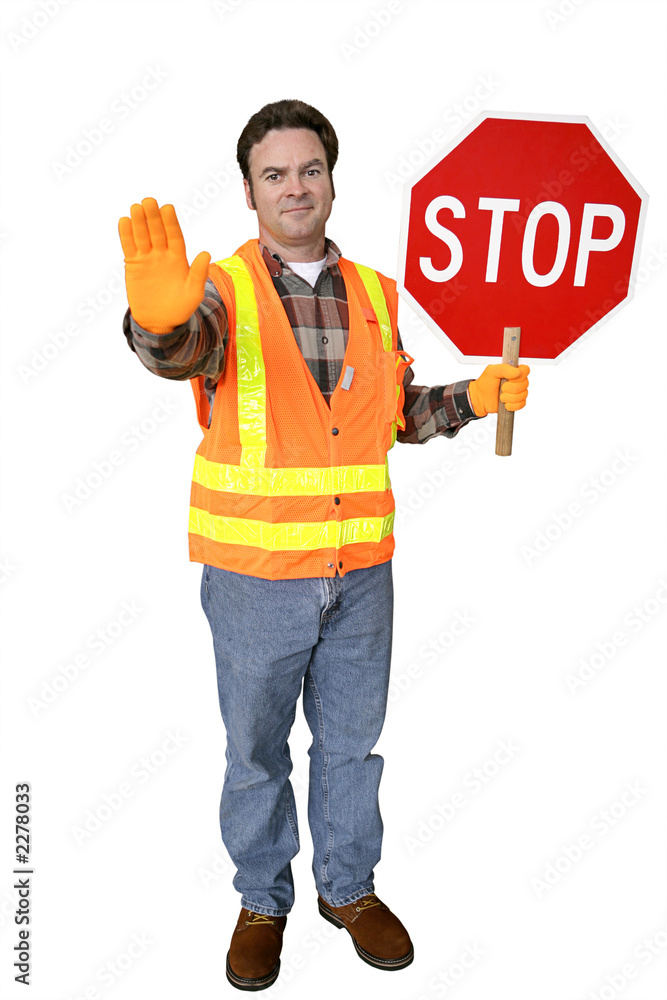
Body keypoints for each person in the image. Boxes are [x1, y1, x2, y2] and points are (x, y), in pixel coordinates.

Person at [118, 98, 529, 992]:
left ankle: (347, 889)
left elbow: (396, 417)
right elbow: (182, 350)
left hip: (361, 577)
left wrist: (475, 398)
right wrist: (155, 324)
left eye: (309, 169)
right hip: (257, 576)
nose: (294, 187)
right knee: (256, 752)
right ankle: (263, 901)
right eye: (275, 174)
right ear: (249, 190)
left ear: (332, 180)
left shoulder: (379, 293)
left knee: (352, 748)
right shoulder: (221, 291)